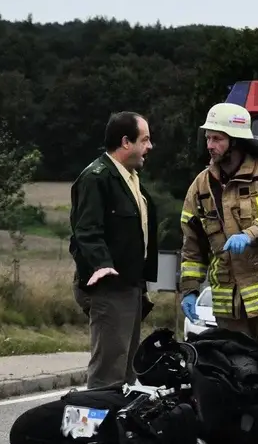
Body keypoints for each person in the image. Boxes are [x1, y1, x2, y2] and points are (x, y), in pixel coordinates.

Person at [177, 103, 258, 343]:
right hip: (229, 308)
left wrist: (250, 234)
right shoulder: (201, 186)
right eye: (208, 138)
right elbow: (192, 245)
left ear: (235, 141)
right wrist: (190, 290)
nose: (210, 146)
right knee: (236, 373)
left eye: (217, 139)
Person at [69, 111, 160, 389]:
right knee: (108, 370)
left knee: (126, 370)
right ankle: (94, 430)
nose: (150, 146)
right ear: (125, 142)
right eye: (144, 140)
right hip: (108, 284)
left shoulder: (130, 180)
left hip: (130, 285)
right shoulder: (97, 178)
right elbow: (86, 230)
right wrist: (101, 264)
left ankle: (118, 428)